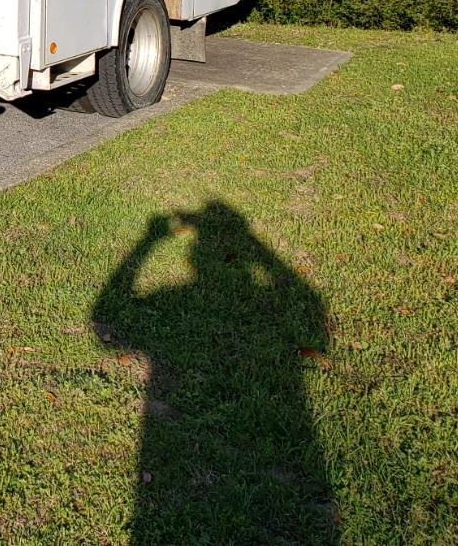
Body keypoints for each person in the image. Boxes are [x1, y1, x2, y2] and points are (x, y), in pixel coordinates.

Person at [91, 200, 335, 544]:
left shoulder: (170, 298)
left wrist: (148, 242)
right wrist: (251, 242)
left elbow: (105, 314)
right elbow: (309, 308)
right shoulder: (262, 305)